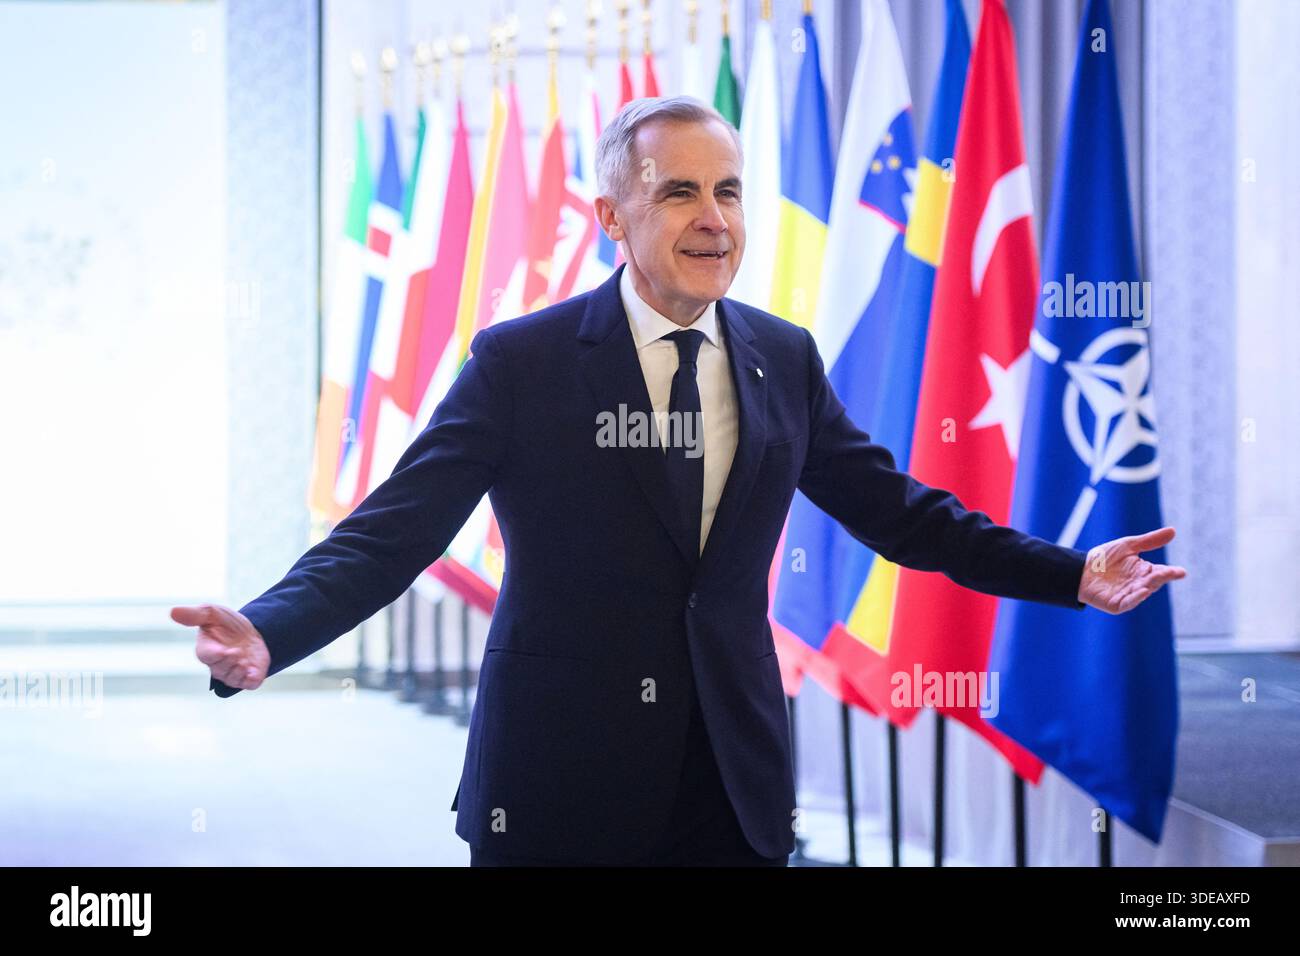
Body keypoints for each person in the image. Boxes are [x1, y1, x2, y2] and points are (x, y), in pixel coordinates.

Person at [171, 96, 1186, 867]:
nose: (714, 219)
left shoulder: (780, 357)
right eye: (679, 192)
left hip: (733, 782)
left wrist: (1069, 571)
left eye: (729, 189)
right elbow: (395, 527)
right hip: (558, 785)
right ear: (611, 214)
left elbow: (901, 511)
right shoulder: (521, 363)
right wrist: (272, 627)